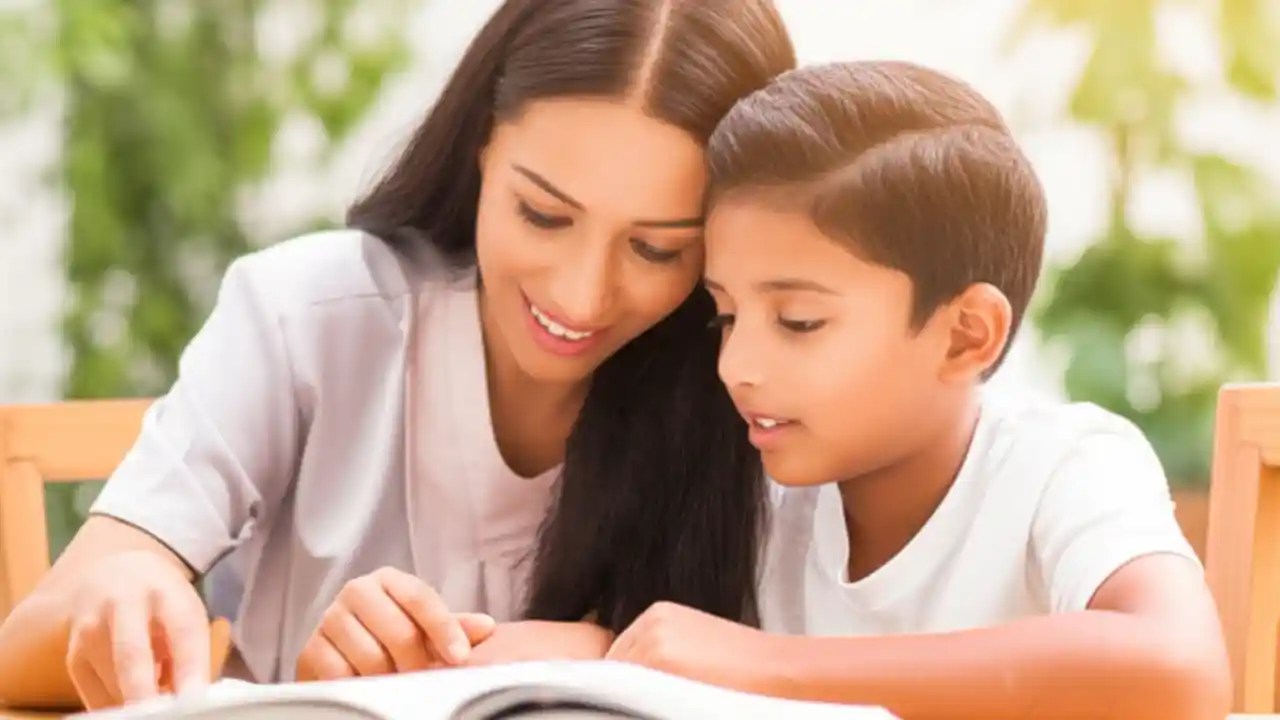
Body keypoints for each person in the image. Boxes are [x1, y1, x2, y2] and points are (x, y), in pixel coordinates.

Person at [0, 0, 795, 710]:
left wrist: (611, 655)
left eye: (656, 250)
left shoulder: (764, 388)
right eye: (544, 215)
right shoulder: (307, 316)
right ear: (482, 143)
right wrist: (123, 594)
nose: (582, 297)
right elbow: (20, 656)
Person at [606, 61, 1233, 720]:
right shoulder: (765, 499)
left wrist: (767, 665)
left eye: (798, 321)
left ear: (965, 335)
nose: (736, 365)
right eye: (726, 316)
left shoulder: (1064, 465)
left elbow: (1178, 670)